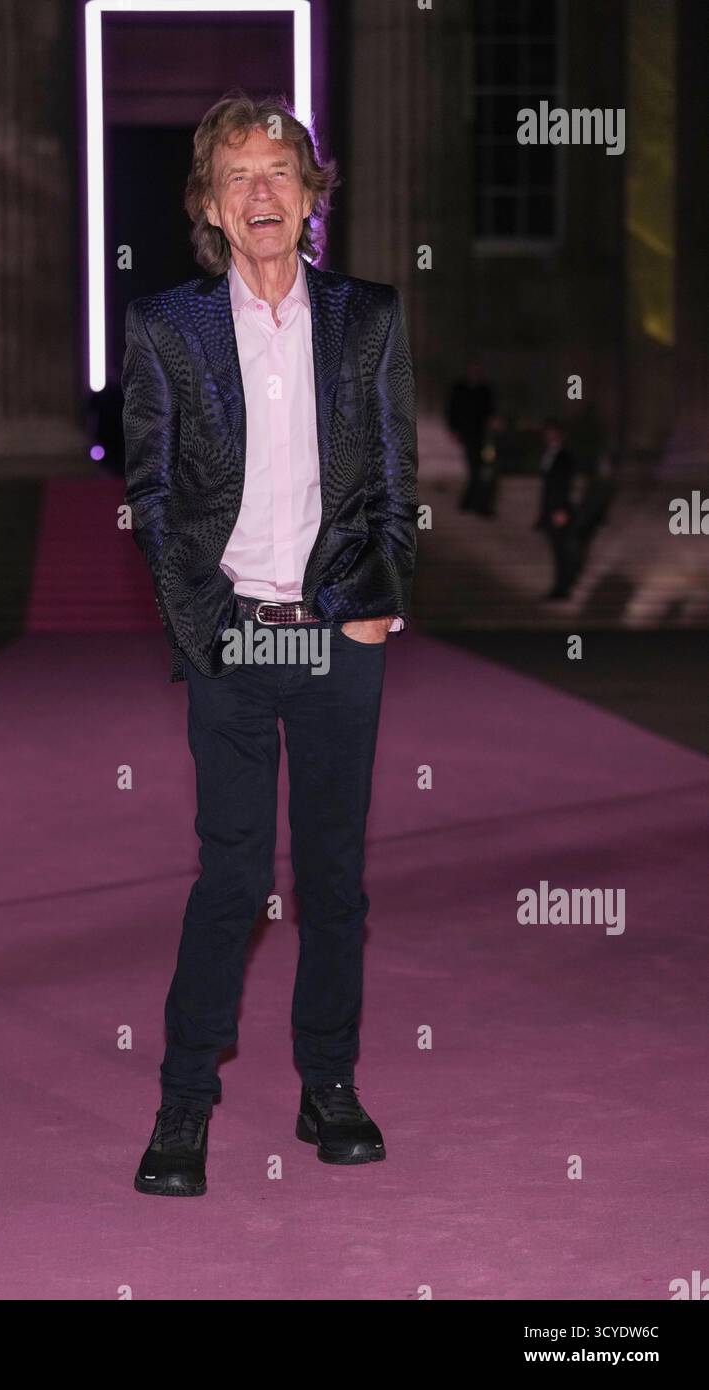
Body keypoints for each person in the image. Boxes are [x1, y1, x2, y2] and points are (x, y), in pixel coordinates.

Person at [121, 92, 418, 1196]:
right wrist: (202, 627)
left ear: (309, 196)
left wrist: (380, 592)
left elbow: (395, 472)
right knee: (233, 877)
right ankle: (183, 1101)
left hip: (341, 632)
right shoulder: (164, 327)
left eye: (279, 171)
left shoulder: (368, 317)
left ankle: (325, 1084)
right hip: (233, 635)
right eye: (237, 174)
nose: (260, 191)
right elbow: (149, 497)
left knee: (335, 878)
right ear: (207, 202)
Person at [535, 417, 579, 600]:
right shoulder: (547, 453)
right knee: (558, 551)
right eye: (548, 432)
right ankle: (560, 586)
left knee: (561, 551)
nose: (549, 436)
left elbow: (564, 485)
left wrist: (560, 510)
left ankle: (562, 588)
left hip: (559, 509)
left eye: (553, 432)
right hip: (550, 508)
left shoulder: (564, 456)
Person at [446, 359, 496, 515]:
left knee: (480, 468)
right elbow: (452, 410)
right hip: (467, 434)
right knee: (476, 468)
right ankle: (473, 503)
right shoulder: (459, 388)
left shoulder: (485, 389)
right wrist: (454, 430)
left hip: (482, 435)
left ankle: (470, 502)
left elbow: (490, 411)